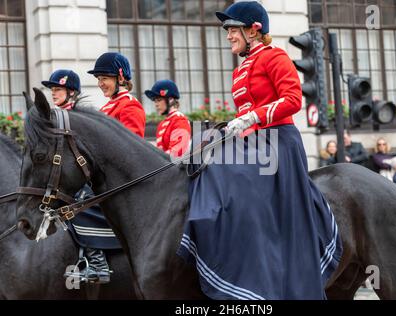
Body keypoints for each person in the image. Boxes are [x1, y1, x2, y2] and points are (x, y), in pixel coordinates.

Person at [177, 1, 342, 300]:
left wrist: (254, 117)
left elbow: (292, 100)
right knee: (204, 154)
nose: (227, 35)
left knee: (229, 173)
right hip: (254, 143)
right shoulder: (240, 70)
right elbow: (244, 112)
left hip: (279, 142)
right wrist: (229, 128)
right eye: (227, 30)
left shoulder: (274, 57)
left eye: (232, 29)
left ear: (253, 31)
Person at [43, 70, 119, 284]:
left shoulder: (80, 117)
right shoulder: (60, 118)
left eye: (58, 89)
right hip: (75, 177)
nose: (53, 93)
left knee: (78, 204)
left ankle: (98, 263)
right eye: (52, 89)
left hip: (97, 179)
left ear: (72, 93)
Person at [88, 52, 146, 138]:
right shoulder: (106, 107)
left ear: (120, 78)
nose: (100, 84)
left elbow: (132, 146)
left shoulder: (130, 106)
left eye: (104, 78)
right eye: (99, 79)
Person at [145, 80, 191, 158]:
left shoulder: (180, 120)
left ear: (170, 100)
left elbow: (176, 154)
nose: (156, 104)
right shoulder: (162, 124)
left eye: (159, 100)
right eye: (155, 101)